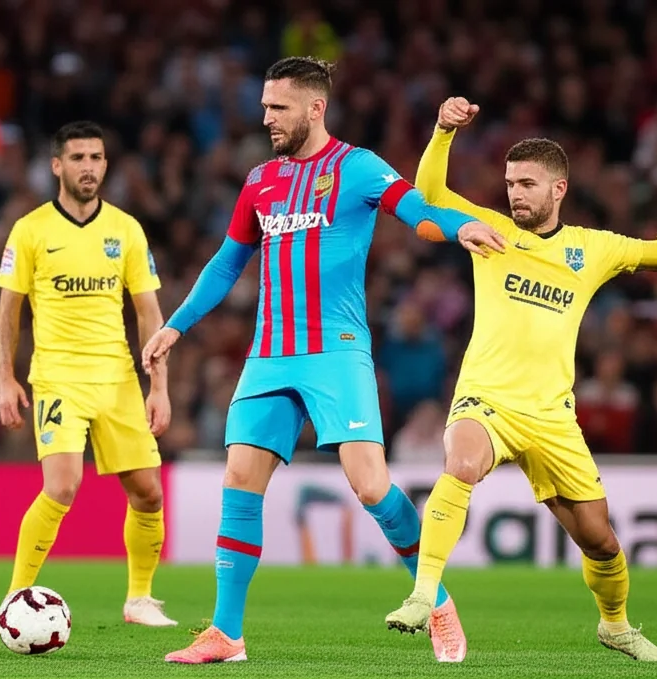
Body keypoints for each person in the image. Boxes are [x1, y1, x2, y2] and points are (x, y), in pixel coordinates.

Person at [147, 57, 505, 665]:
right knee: (239, 480)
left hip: (335, 351)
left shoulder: (357, 166)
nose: (266, 118)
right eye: (264, 107)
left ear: (315, 108)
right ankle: (226, 634)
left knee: (370, 485)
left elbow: (416, 210)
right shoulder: (260, 179)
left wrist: (460, 226)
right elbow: (228, 263)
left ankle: (436, 601)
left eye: (277, 108)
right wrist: (175, 325)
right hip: (270, 354)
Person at [385, 96, 657, 662]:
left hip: (554, 416)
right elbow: (427, 197)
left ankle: (616, 626)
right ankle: (424, 594)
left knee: (600, 539)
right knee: (459, 464)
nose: (514, 193)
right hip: (487, 400)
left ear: (559, 189)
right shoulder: (490, 233)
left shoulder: (593, 249)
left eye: (527, 183)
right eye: (510, 182)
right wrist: (442, 132)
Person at [0, 120, 175, 627]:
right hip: (57, 378)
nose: (89, 167)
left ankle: (139, 599)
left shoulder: (126, 229)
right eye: (77, 158)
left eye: (96, 158)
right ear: (57, 166)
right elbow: (9, 311)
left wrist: (157, 386)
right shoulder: (30, 230)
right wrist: (7, 378)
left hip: (117, 378)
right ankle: (16, 596)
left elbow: (148, 313)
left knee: (149, 491)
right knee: (63, 485)